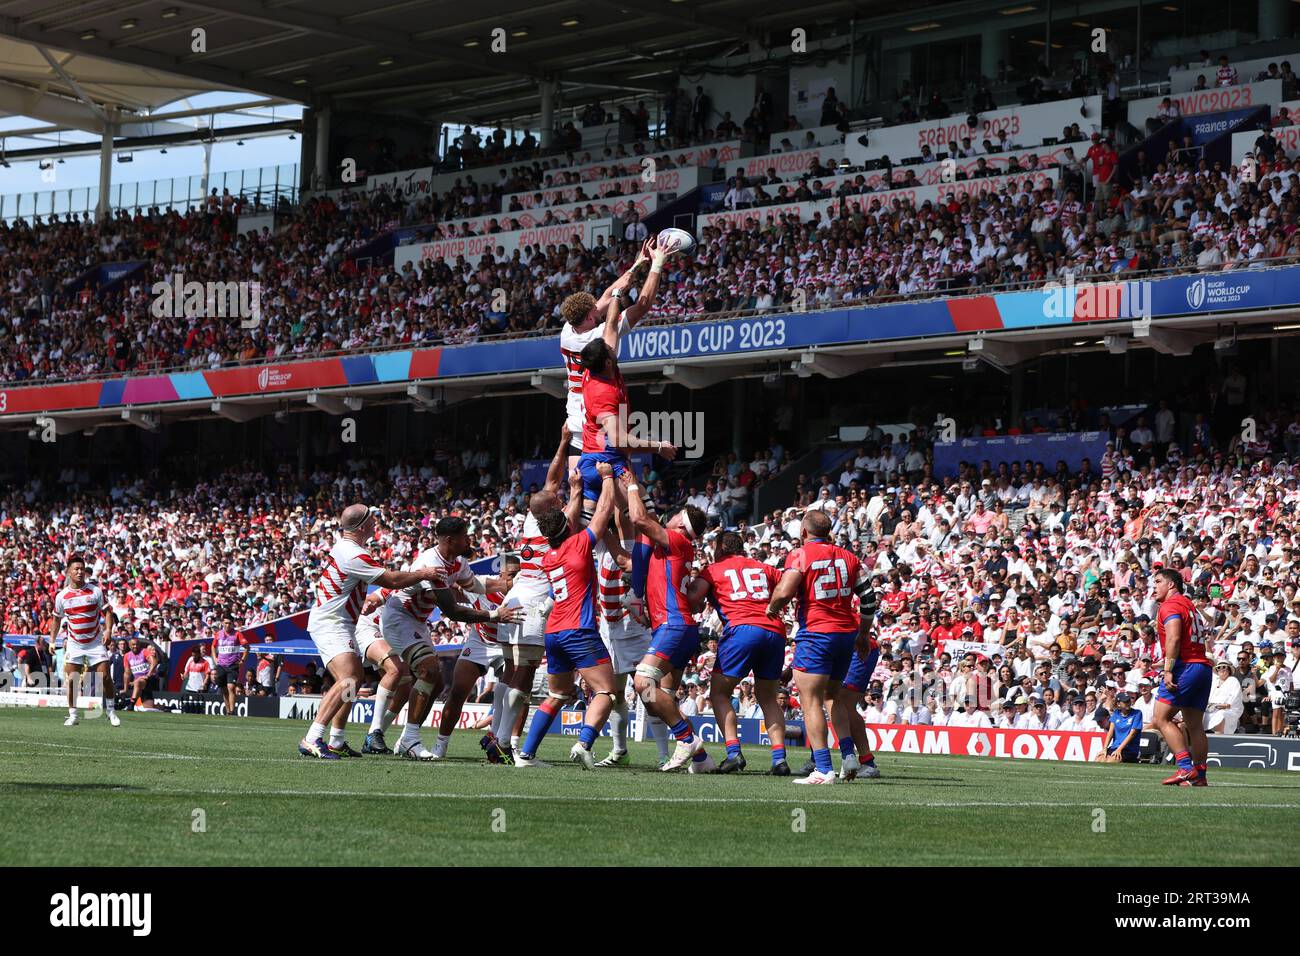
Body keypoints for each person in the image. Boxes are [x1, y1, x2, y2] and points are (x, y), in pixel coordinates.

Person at [301, 503, 499, 760]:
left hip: (344, 622)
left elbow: (392, 583)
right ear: (362, 526)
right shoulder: (352, 554)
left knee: (354, 679)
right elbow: (393, 581)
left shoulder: (353, 550)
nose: (376, 523)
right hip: (333, 622)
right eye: (372, 520)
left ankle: (337, 739)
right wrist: (423, 574)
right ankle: (314, 737)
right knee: (351, 677)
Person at [381, 515, 522, 760]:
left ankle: (403, 737)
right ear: (450, 540)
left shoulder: (456, 562)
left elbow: (474, 584)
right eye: (464, 536)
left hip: (417, 621)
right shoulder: (431, 563)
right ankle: (409, 739)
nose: (469, 539)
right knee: (429, 669)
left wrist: (503, 585)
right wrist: (494, 614)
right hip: (400, 617)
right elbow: (452, 611)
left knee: (434, 681)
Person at [514, 463, 624, 769]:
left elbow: (567, 522)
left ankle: (525, 755)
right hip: (579, 629)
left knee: (557, 694)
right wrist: (606, 477)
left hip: (555, 632)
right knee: (607, 691)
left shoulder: (549, 556)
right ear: (567, 528)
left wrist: (575, 488)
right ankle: (585, 742)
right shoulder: (578, 546)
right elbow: (602, 512)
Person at [767, 509, 875, 784]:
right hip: (846, 635)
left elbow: (785, 590)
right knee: (833, 698)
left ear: (803, 532)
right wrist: (863, 634)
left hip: (817, 632)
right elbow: (869, 599)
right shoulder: (850, 557)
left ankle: (824, 768)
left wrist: (773, 608)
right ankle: (848, 755)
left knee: (810, 701)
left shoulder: (800, 554)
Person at [490, 426, 572, 760]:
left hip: (515, 599)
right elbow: (561, 492)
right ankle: (504, 743)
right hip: (534, 605)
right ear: (553, 508)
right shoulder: (559, 526)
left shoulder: (529, 520)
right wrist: (580, 486)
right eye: (560, 500)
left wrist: (563, 442)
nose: (563, 497)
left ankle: (495, 736)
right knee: (523, 676)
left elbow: (551, 484)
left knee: (510, 672)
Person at [625, 476, 715, 772]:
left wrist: (632, 486)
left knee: (642, 683)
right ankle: (702, 760)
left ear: (680, 525)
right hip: (678, 627)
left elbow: (639, 519)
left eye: (676, 515)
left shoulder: (676, 540)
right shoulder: (672, 547)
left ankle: (687, 739)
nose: (671, 515)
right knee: (656, 698)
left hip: (673, 626)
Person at [686, 531, 791, 775]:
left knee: (720, 693)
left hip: (741, 629)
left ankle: (734, 754)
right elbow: (788, 585)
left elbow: (693, 599)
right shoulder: (763, 567)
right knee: (768, 698)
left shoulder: (713, 569)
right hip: (773, 630)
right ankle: (779, 759)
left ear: (720, 548)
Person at [557, 237, 664, 473]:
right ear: (587, 318)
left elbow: (607, 293)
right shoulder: (599, 337)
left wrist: (638, 264)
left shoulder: (567, 330)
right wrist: (656, 264)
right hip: (597, 414)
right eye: (593, 310)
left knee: (579, 488)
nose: (598, 307)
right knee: (615, 480)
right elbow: (642, 306)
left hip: (574, 415)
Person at [429, 555, 520, 759]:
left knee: (515, 693)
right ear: (501, 575)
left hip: (508, 644)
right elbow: (455, 593)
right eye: (512, 575)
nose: (517, 579)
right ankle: (440, 744)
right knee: (458, 691)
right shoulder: (484, 585)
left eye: (520, 574)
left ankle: (502, 740)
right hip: (480, 642)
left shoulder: (525, 592)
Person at [1150, 568, 1213, 786]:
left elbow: (1175, 638)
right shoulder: (1189, 605)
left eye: (1158, 581)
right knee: (1194, 724)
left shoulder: (1170, 605)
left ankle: (1186, 768)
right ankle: (1201, 775)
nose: (1154, 585)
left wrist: (1168, 669)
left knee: (1160, 718)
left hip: (1185, 668)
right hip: (1202, 667)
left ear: (1171, 585)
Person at [52, 554, 119, 727]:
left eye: (82, 569)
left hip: (95, 642)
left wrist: (108, 630)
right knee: (72, 679)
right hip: (74, 643)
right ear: (68, 572)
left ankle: (111, 711)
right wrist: (52, 641)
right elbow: (56, 620)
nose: (80, 572)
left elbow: (108, 612)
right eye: (76, 569)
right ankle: (73, 715)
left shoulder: (95, 591)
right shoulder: (62, 596)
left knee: (105, 676)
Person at [210, 617, 247, 717]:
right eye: (226, 623)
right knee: (223, 689)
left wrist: (243, 659)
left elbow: (247, 646)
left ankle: (232, 710)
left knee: (231, 686)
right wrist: (215, 658)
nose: (227, 625)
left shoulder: (237, 634)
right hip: (221, 665)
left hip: (233, 665)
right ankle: (228, 711)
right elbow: (213, 646)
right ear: (222, 623)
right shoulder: (218, 634)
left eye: (229, 623)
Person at [1101, 692, 1143, 762]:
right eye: (1125, 702)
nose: (1128, 703)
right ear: (1118, 704)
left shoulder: (1137, 713)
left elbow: (1132, 734)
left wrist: (1119, 749)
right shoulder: (1116, 713)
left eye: (1128, 701)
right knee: (1099, 759)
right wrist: (1104, 748)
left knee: (1110, 761)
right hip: (1115, 747)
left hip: (1129, 749)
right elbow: (1110, 732)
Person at [1205, 660, 1243, 735]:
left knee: (1221, 715)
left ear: (1229, 670)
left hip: (1229, 709)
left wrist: (1220, 706)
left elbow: (1233, 700)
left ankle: (1219, 740)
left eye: (1224, 667)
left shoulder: (1233, 680)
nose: (1221, 669)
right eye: (1219, 668)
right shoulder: (1214, 682)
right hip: (1211, 708)